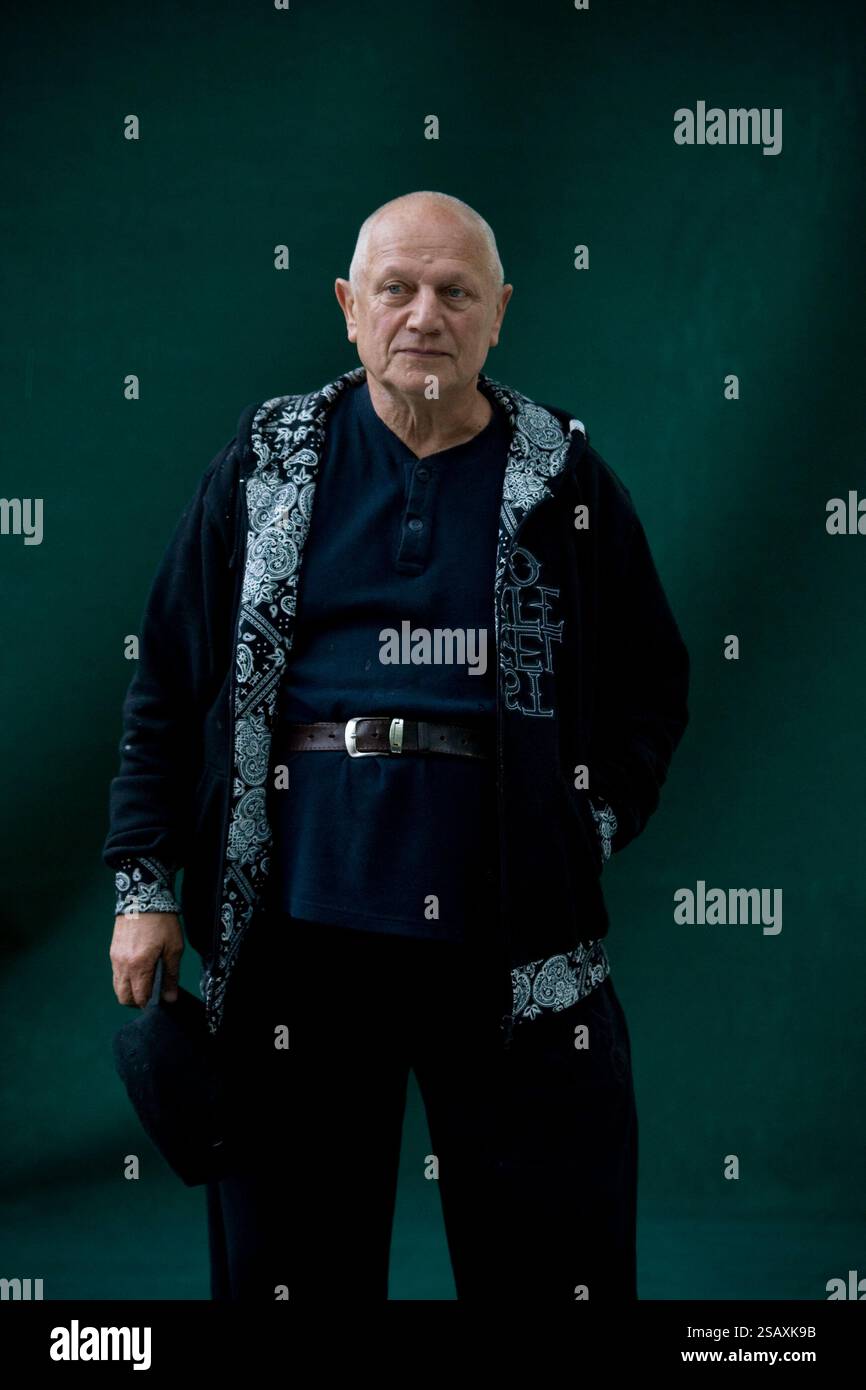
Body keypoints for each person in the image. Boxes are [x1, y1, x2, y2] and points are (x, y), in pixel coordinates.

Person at [104, 189, 690, 1301]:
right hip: (296, 928)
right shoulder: (264, 459)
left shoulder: (562, 474)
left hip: (514, 943)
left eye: (454, 291)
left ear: (498, 313)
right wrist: (143, 883)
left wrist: (587, 820)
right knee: (291, 1270)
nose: (424, 313)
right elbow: (169, 682)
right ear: (348, 307)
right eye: (396, 289)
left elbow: (650, 681)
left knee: (550, 1267)